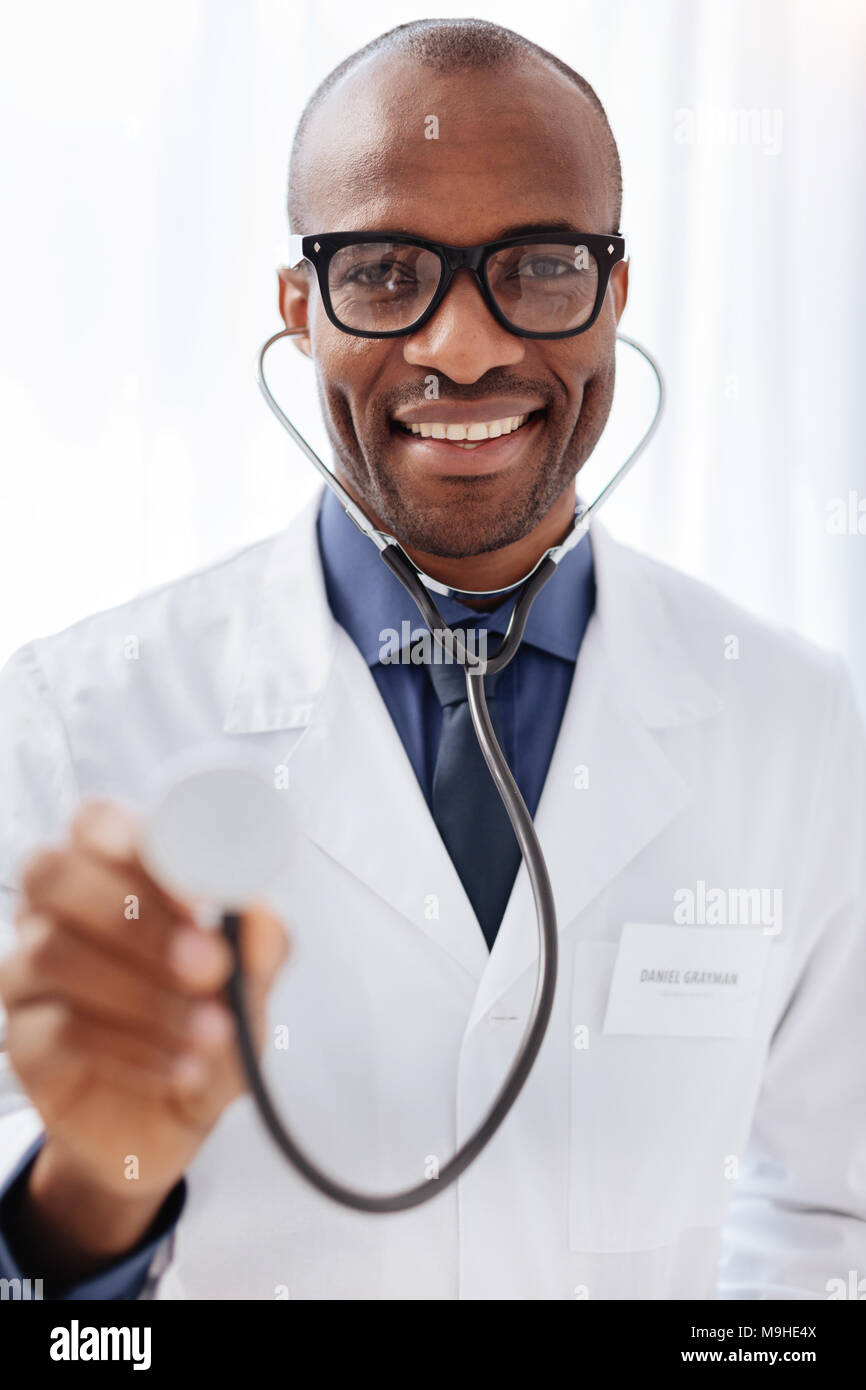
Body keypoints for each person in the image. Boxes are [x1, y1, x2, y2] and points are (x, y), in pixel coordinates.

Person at [0, 17, 864, 1301]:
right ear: (299, 309)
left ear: (613, 296)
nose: (463, 347)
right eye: (387, 271)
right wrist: (98, 1190)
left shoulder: (802, 732)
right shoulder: (69, 722)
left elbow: (824, 1217)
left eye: (540, 266)